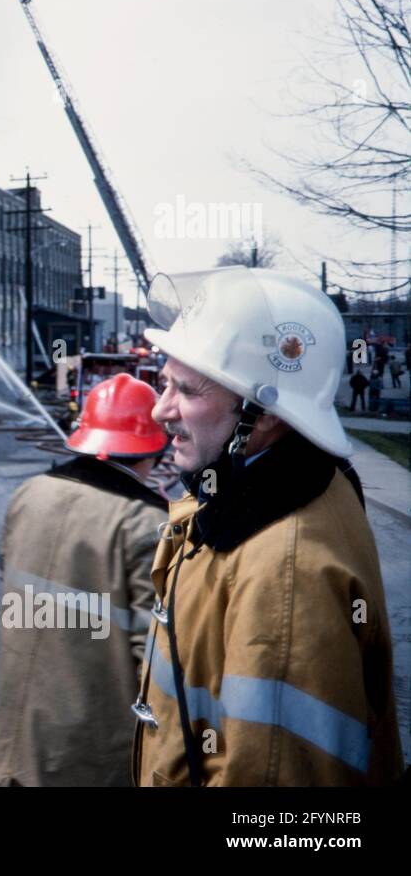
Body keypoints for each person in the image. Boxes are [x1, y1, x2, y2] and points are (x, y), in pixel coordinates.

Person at [132, 266, 402, 786]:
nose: (160, 410)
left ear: (267, 414)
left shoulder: (284, 576)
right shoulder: (257, 492)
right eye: (163, 382)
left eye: (186, 390)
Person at [0, 373, 169, 786]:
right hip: (91, 761)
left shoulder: (30, 493)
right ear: (155, 446)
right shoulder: (146, 524)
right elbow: (158, 670)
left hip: (13, 748)